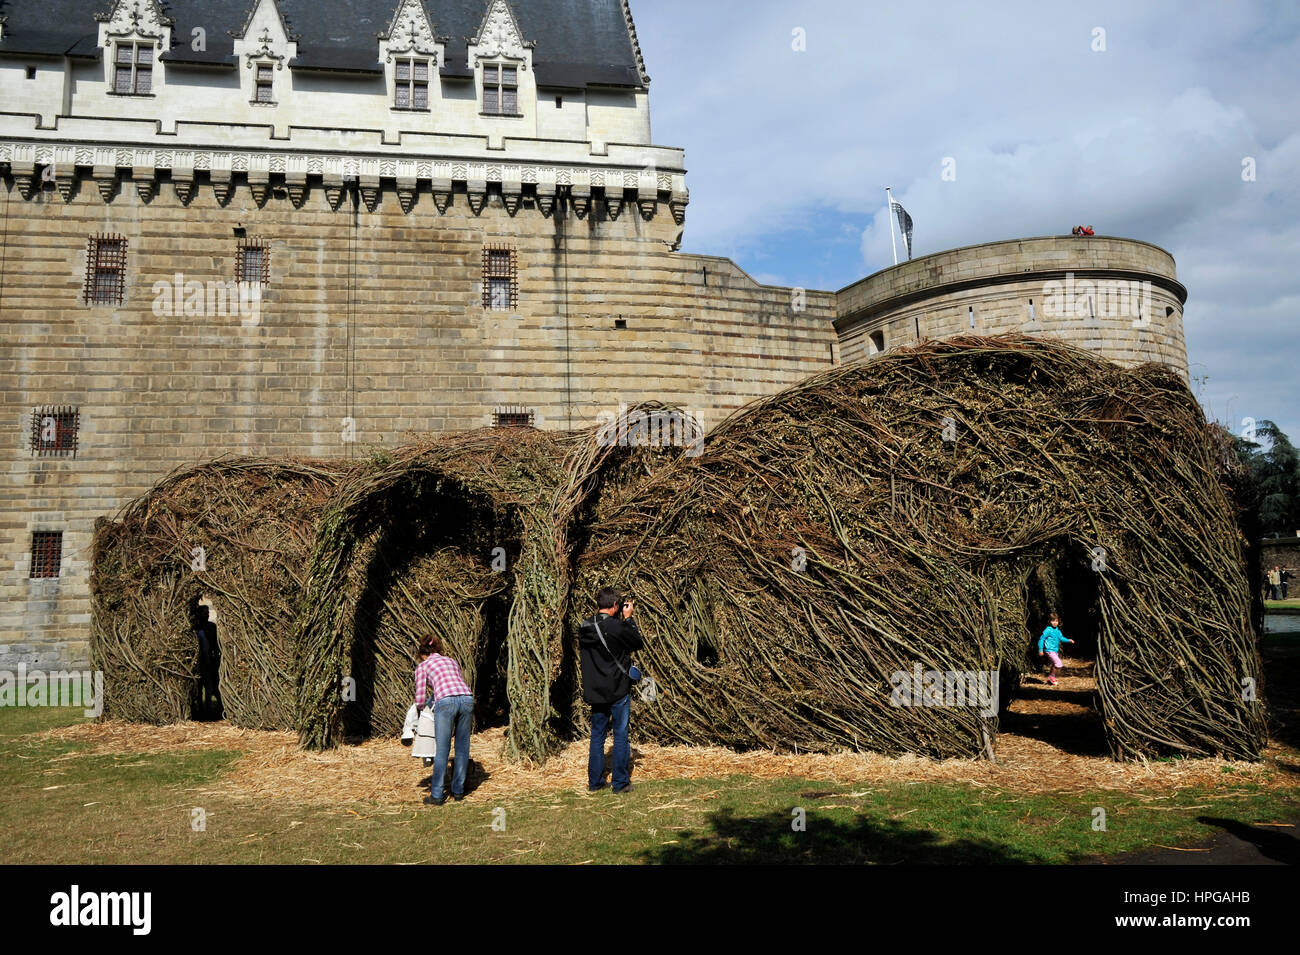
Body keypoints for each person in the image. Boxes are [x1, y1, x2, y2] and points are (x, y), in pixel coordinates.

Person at [578, 587, 643, 793]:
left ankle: (595, 782)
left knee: (597, 736)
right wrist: (629, 619)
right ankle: (620, 783)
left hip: (596, 690)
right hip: (617, 688)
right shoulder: (618, 626)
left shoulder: (584, 626)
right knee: (620, 734)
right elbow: (637, 642)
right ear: (615, 605)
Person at [412, 634, 473, 805]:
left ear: (422, 654)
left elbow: (420, 698)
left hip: (445, 703)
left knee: (442, 750)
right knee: (462, 748)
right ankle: (458, 791)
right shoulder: (451, 661)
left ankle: (437, 795)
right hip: (467, 699)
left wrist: (419, 713)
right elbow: (456, 681)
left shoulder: (423, 666)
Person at [192, 603, 221, 718]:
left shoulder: (211, 627)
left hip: (210, 660)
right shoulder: (196, 628)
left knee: (210, 685)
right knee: (199, 686)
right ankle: (201, 709)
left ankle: (210, 709)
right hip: (199, 661)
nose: (207, 615)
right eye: (205, 613)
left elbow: (216, 644)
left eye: (208, 613)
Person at [1037, 612, 1074, 687]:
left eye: (1056, 621)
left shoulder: (1057, 630)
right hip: (1049, 650)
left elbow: (1061, 638)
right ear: (1049, 621)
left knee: (1054, 664)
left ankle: (1049, 678)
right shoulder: (1048, 630)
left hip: (1055, 651)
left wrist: (1068, 640)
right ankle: (1052, 677)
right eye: (1053, 621)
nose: (1055, 623)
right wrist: (1040, 649)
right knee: (1058, 664)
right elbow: (1041, 639)